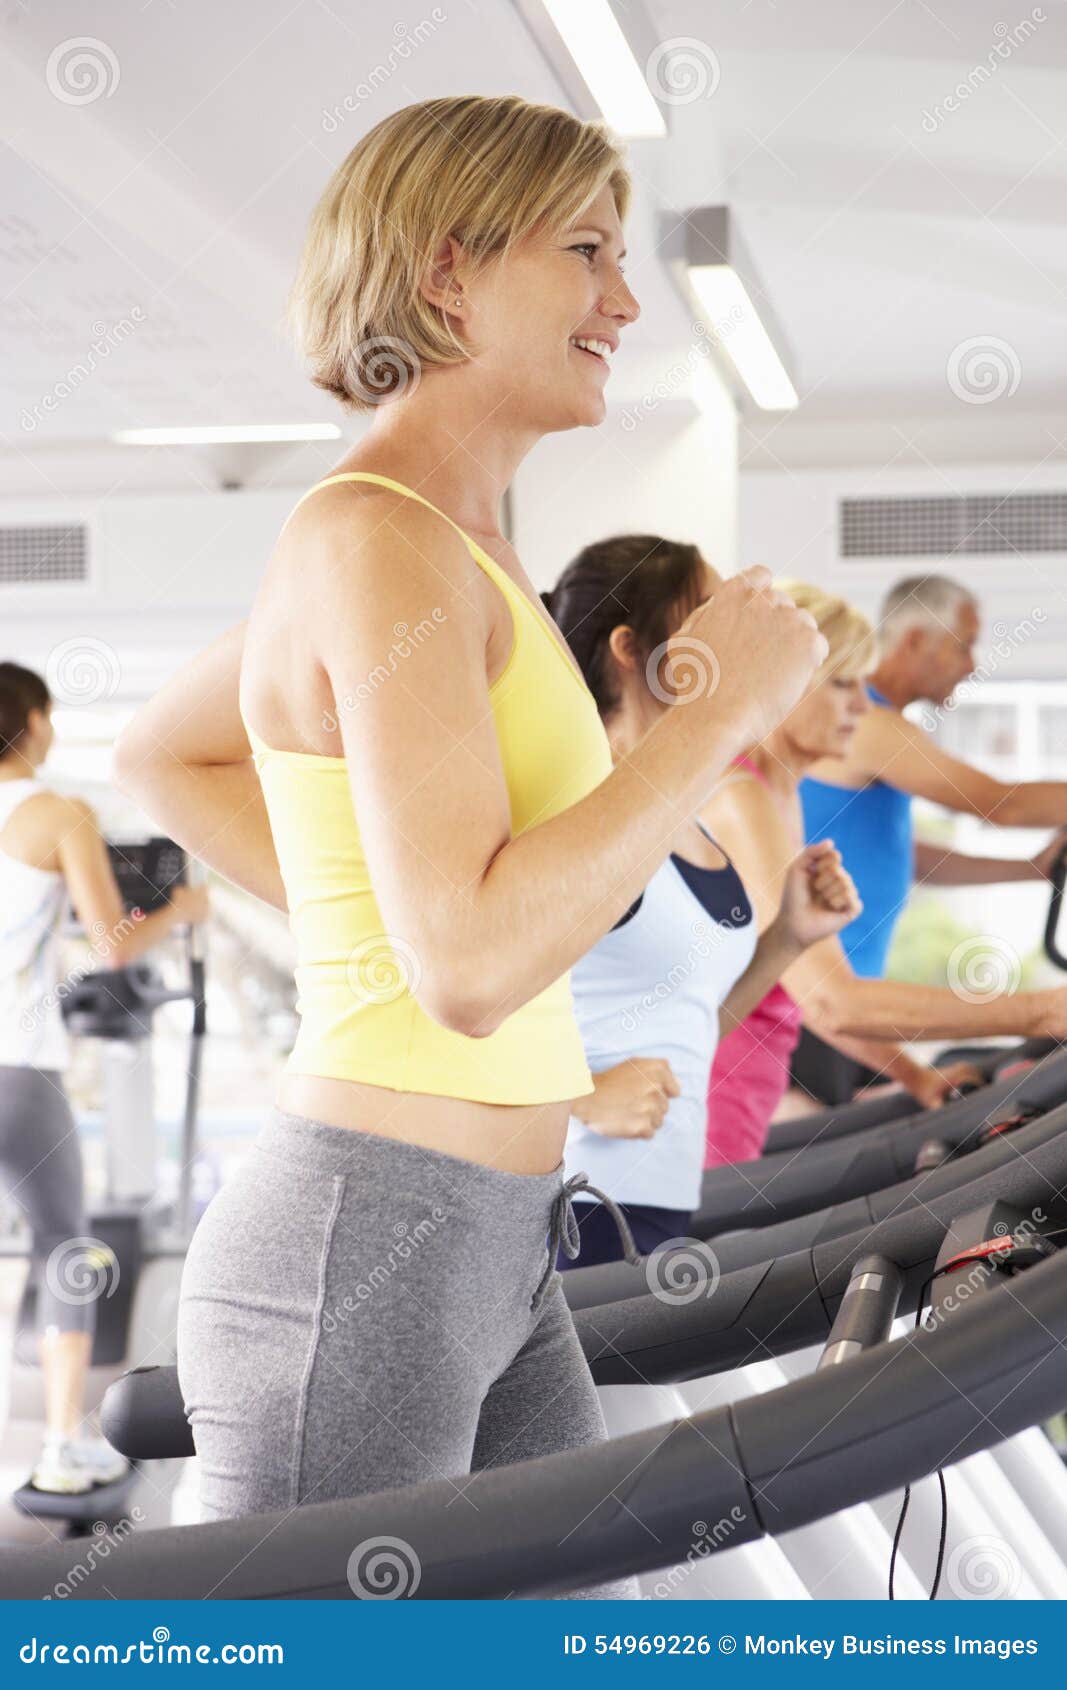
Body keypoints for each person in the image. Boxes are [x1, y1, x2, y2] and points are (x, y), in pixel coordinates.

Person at [112, 94, 827, 1589]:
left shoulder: (439, 544)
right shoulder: (371, 537)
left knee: (575, 1623)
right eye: (584, 252)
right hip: (365, 1235)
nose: (622, 300)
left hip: (493, 1225)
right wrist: (718, 718)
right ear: (448, 276)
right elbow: (474, 968)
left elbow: (162, 752)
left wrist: (359, 922)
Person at [547, 538, 861, 1268]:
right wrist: (577, 1095)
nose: (734, 634)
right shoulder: (575, 805)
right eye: (706, 615)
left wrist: (786, 937)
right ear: (630, 648)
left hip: (657, 1200)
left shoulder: (679, 807)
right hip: (570, 1200)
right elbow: (455, 1002)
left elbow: (683, 1021)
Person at [702, 585, 1067, 1168]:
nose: (856, 706)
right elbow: (1002, 804)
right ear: (787, 683)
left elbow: (814, 981)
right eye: (842, 684)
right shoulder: (753, 791)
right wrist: (1045, 1010)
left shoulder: (782, 795)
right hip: (731, 1095)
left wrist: (912, 1073)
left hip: (801, 1039)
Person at [0, 662, 207, 1494]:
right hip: (18, 1072)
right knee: (61, 1252)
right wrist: (183, 912)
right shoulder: (56, 814)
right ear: (36, 721)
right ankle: (59, 1448)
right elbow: (108, 946)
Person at [796, 574, 1067, 1104]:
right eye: (962, 644)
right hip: (816, 1007)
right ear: (915, 640)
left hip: (855, 1011)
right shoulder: (867, 726)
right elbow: (1000, 804)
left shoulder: (873, 727)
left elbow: (907, 858)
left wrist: (1030, 869)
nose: (972, 664)